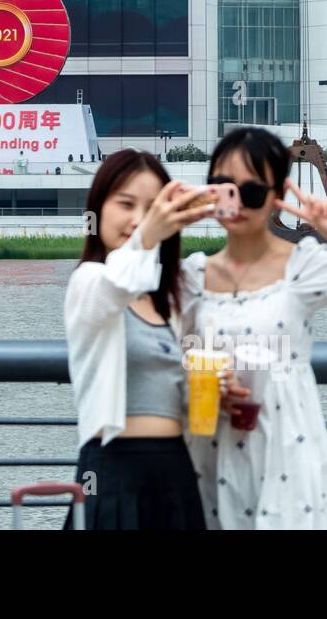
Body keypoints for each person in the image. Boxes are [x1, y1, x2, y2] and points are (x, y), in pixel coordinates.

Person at [181, 127, 327, 529]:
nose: (237, 202)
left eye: (253, 192)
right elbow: (155, 350)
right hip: (211, 445)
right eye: (223, 188)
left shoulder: (303, 264)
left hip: (286, 445)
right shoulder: (193, 274)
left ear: (276, 197)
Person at [62, 148, 220, 529]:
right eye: (126, 204)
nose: (137, 219)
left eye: (151, 208)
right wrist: (150, 234)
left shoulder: (176, 296)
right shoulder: (89, 283)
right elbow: (119, 282)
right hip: (111, 468)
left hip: (175, 468)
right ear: (97, 209)